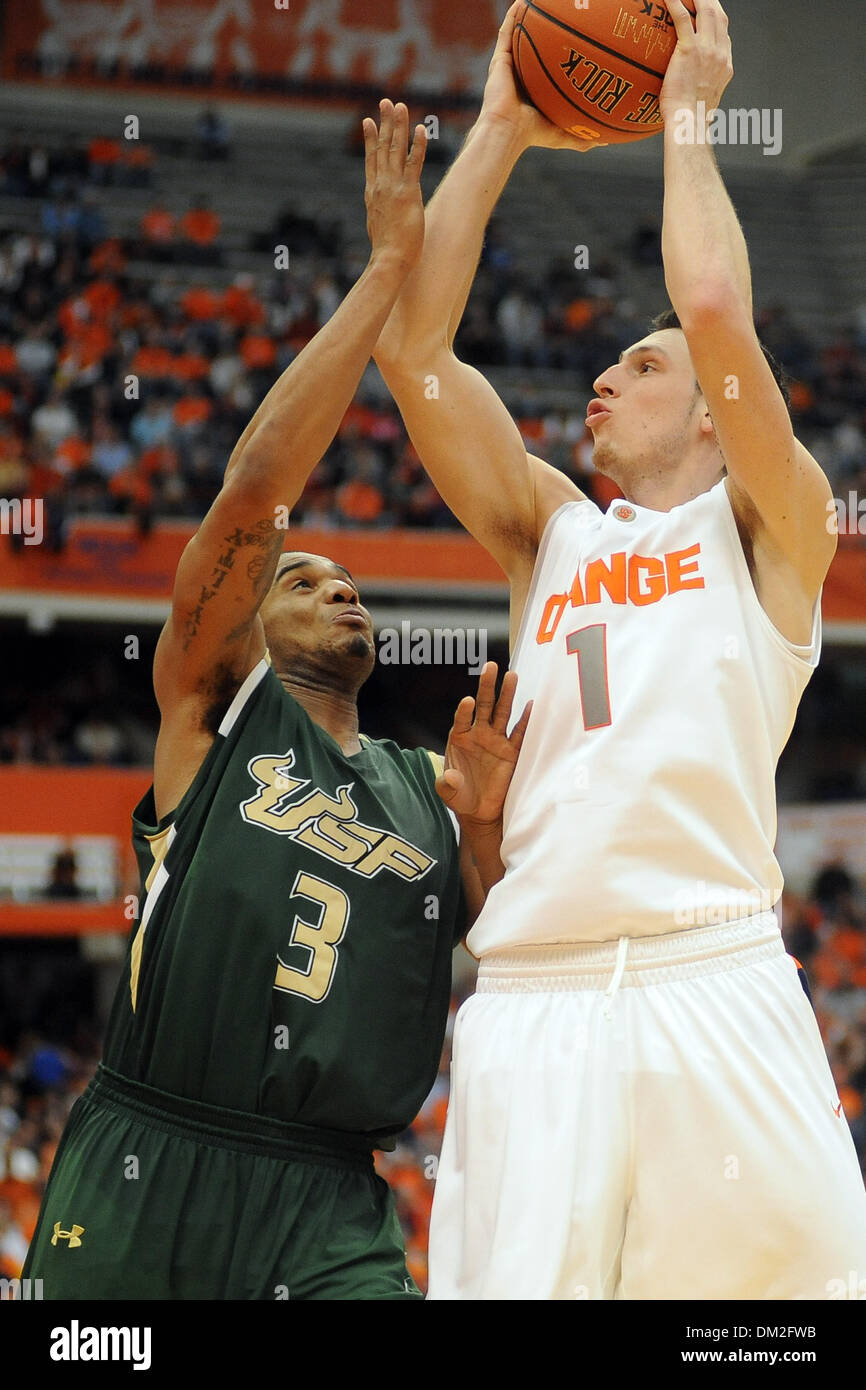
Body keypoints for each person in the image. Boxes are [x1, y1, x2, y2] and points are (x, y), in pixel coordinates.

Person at [374, 1, 866, 1299]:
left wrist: (684, 116)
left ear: (711, 411)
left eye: (637, 368)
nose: (599, 379)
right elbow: (412, 353)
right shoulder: (550, 533)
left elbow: (710, 305)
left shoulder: (775, 523)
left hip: (712, 975)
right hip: (532, 998)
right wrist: (497, 124)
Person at [22, 104, 527, 1301]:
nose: (337, 584)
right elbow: (256, 487)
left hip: (328, 1198)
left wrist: (491, 829)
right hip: (150, 1154)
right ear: (251, 616)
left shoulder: (421, 784)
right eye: (302, 578)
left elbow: (490, 939)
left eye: (349, 581)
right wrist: (388, 275)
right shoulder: (213, 703)